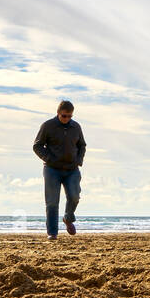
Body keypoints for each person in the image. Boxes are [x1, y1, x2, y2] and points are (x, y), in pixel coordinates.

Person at [33, 100, 87, 240]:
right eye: (64, 116)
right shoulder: (48, 126)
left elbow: (82, 145)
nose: (67, 119)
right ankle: (52, 233)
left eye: (70, 116)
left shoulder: (76, 127)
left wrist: (79, 160)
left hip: (72, 170)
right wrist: (49, 158)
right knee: (52, 202)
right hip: (52, 170)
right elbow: (37, 146)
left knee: (74, 197)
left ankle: (68, 218)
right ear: (58, 113)